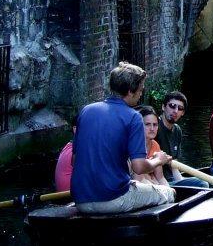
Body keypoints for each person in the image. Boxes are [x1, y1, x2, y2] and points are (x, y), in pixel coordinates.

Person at [70, 62, 174, 214]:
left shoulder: (86, 110)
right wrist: (159, 160)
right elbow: (139, 166)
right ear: (131, 91)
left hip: (80, 200)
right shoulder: (133, 117)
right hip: (113, 199)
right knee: (168, 193)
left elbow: (74, 160)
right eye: (140, 89)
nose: (141, 93)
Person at [134, 105, 170, 186]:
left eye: (155, 125)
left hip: (150, 185)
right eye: (147, 124)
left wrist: (169, 191)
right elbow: (137, 175)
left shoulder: (155, 145)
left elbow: (160, 177)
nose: (152, 128)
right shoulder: (133, 145)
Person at [156, 91, 187, 181]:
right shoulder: (154, 127)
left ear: (183, 113)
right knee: (202, 184)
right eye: (172, 106)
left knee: (203, 183)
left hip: (171, 179)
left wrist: (180, 180)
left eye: (180, 108)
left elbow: (174, 163)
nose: (175, 111)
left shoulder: (177, 130)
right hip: (158, 180)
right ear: (163, 107)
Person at [54, 121, 75, 191]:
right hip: (69, 196)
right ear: (75, 129)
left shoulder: (69, 145)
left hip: (64, 194)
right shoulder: (76, 150)